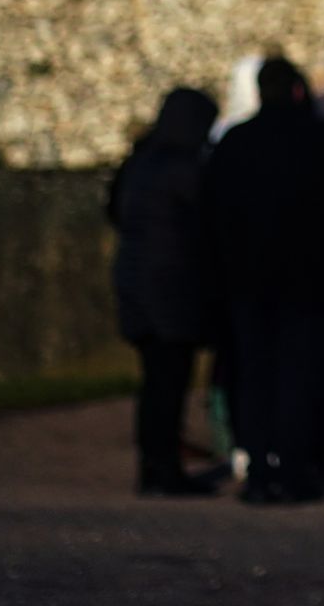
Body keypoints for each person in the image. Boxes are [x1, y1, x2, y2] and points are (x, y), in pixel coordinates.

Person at [198, 56, 324, 504]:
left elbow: (212, 216)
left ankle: (258, 470)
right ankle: (290, 469)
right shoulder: (317, 142)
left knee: (254, 375)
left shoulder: (236, 144)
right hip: (304, 282)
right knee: (298, 376)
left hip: (247, 281)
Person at [109, 87, 221, 496]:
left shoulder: (141, 163)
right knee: (169, 383)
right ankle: (164, 470)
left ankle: (153, 466)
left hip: (136, 281)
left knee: (155, 383)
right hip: (171, 285)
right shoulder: (186, 166)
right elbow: (206, 221)